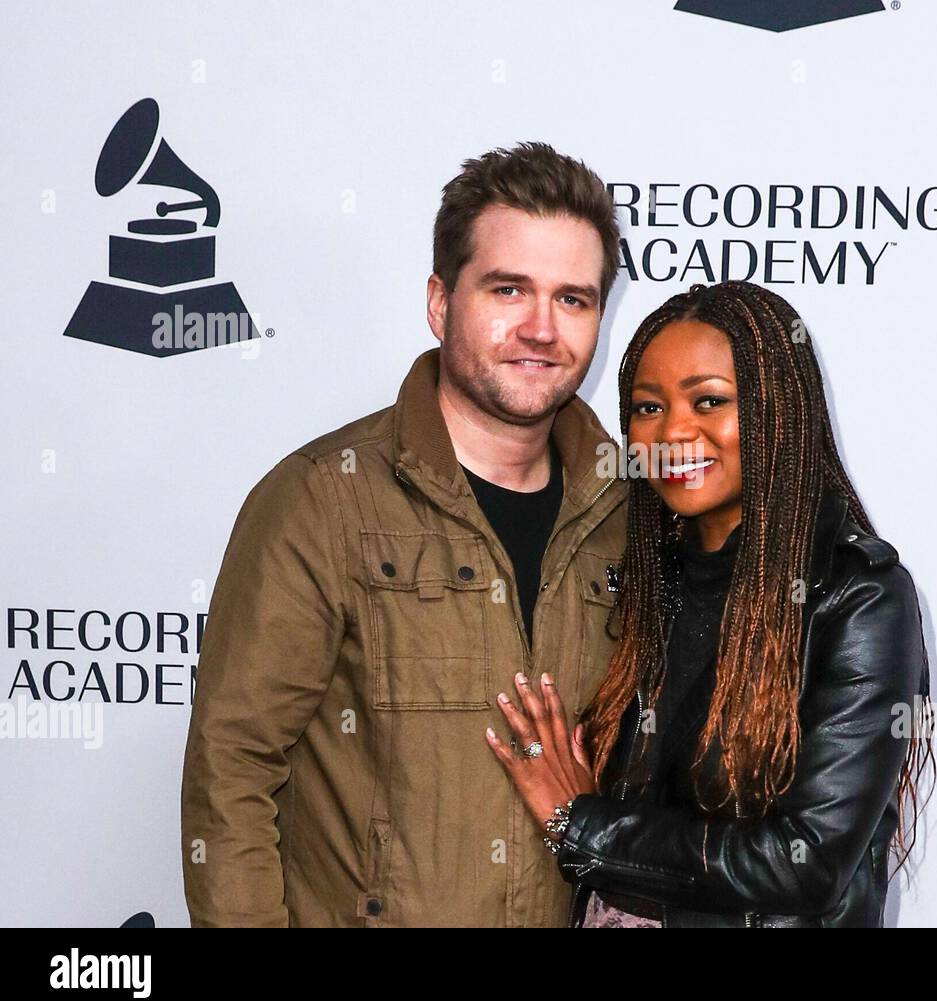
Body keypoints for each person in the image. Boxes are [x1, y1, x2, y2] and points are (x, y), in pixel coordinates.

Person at [180, 141, 628, 927]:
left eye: (572, 299)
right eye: (508, 289)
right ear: (439, 301)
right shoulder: (323, 499)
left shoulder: (627, 517)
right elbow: (232, 774)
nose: (540, 328)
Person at [487, 280, 936, 928]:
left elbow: (802, 863)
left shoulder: (858, 596)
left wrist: (579, 823)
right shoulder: (637, 577)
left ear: (774, 408)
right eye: (647, 408)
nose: (672, 431)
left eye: (708, 401)